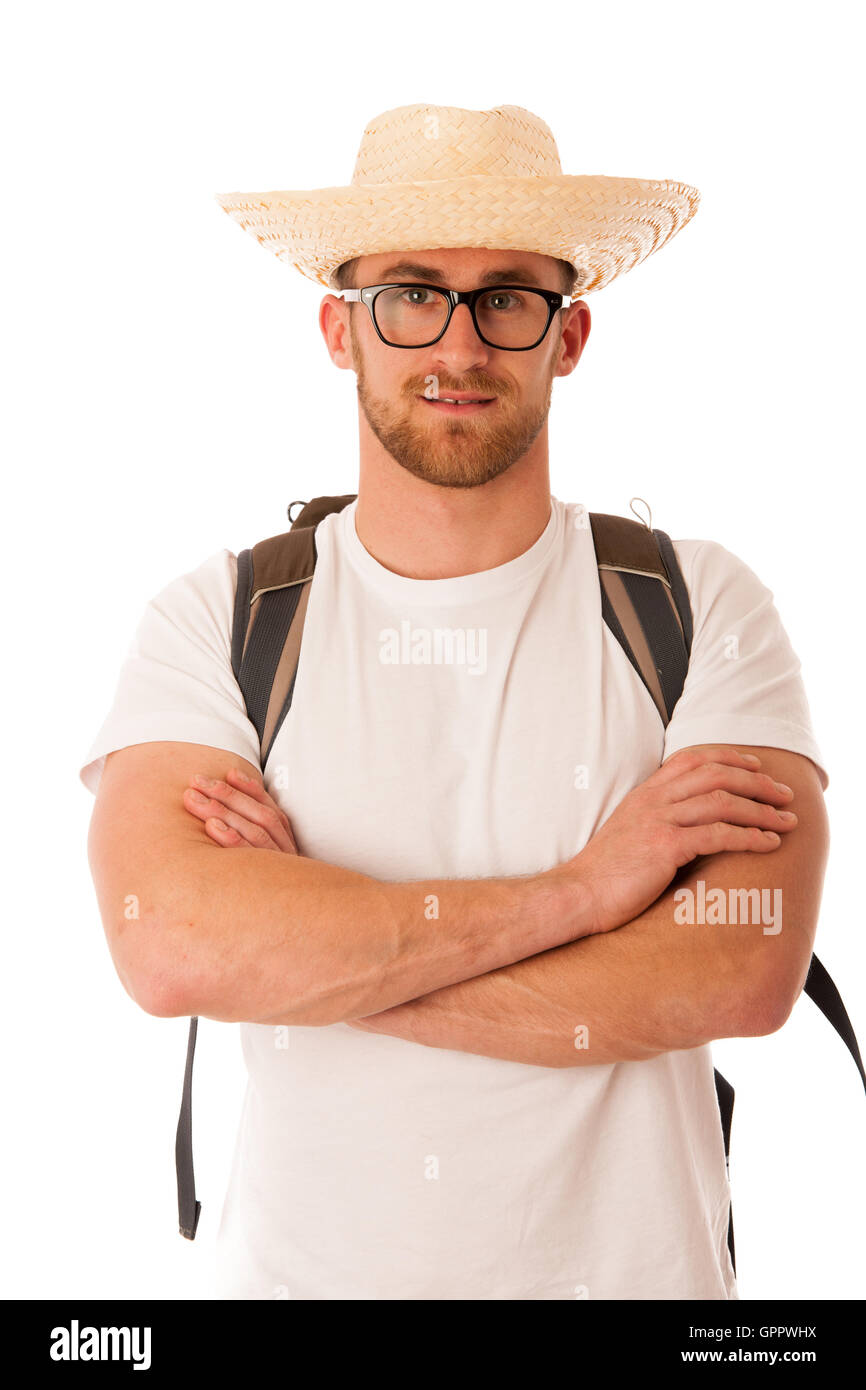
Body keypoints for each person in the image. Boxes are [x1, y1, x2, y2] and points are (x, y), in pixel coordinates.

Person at [80, 103, 828, 1300]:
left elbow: (738, 971)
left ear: (567, 334)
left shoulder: (694, 605)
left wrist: (311, 959)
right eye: (411, 292)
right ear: (341, 327)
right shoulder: (215, 622)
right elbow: (170, 947)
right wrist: (585, 894)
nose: (460, 344)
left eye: (506, 298)